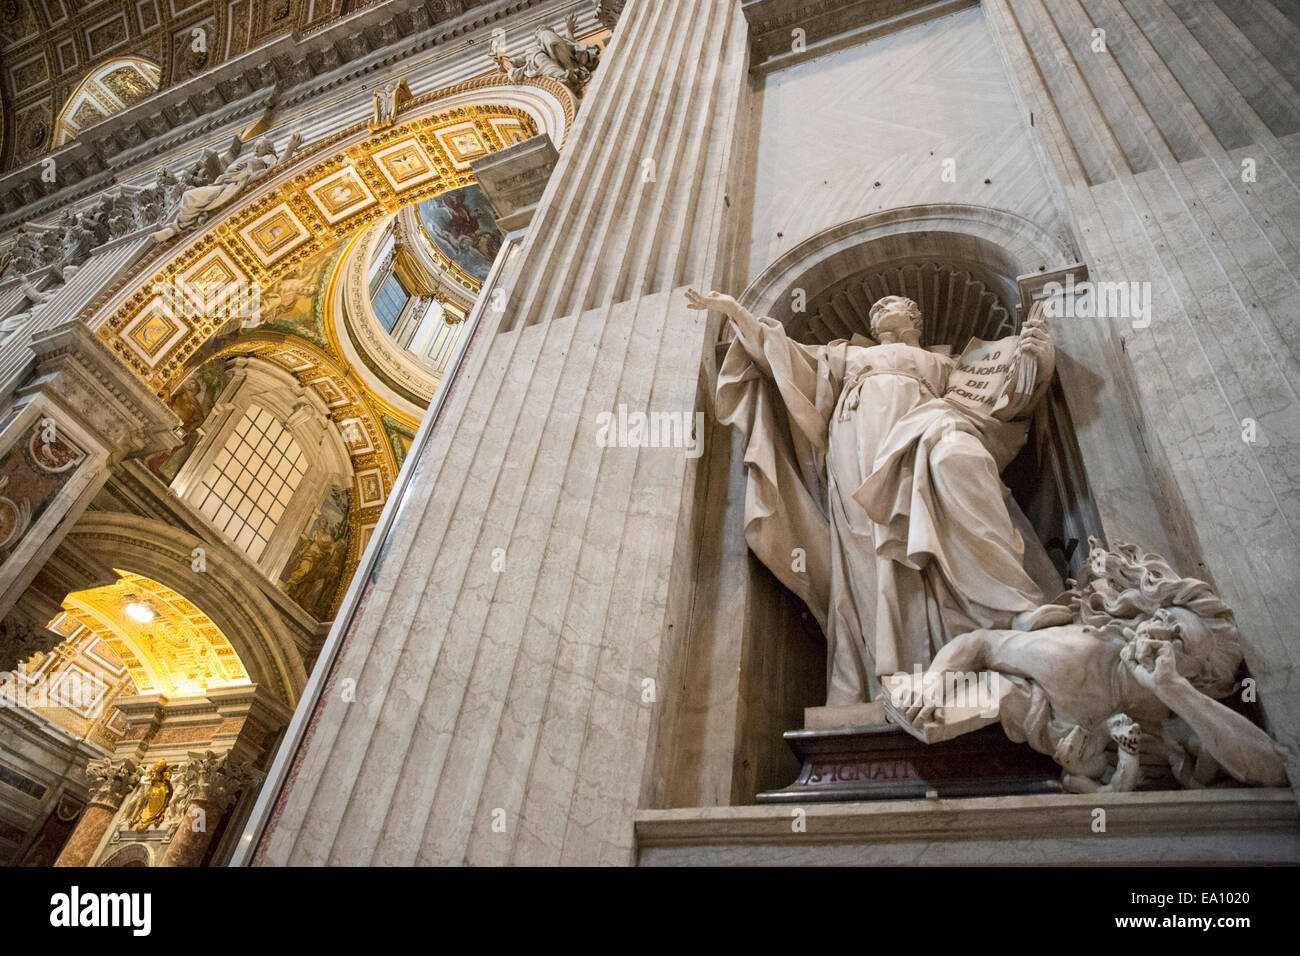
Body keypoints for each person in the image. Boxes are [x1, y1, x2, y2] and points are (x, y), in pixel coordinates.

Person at [689, 288, 1067, 704]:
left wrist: (1034, 361)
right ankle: (883, 676)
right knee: (867, 552)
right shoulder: (846, 357)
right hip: (854, 448)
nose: (878, 309)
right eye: (874, 308)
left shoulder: (945, 364)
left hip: (924, 435)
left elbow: (999, 403)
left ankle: (982, 630)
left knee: (949, 491)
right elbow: (781, 355)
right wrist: (736, 312)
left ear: (916, 317)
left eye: (890, 303)